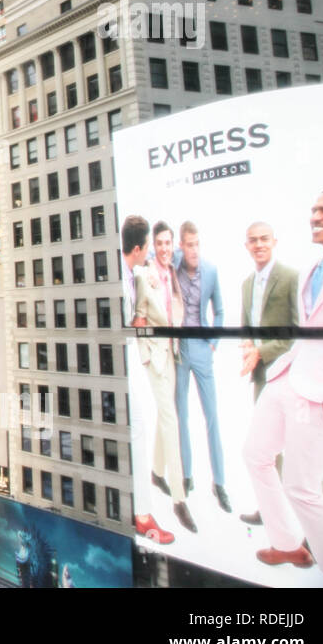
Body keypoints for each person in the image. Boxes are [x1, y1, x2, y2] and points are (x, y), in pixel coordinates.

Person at [242, 186, 323, 585]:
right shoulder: (312, 268)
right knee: (255, 455)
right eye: (313, 210)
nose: (315, 217)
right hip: (288, 379)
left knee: (302, 488)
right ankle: (288, 543)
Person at [133, 220, 196, 533]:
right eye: (159, 243)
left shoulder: (173, 270)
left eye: (169, 243)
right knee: (170, 418)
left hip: (173, 353)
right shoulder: (146, 276)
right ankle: (179, 499)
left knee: (165, 414)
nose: (165, 248)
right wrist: (146, 355)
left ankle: (157, 471)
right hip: (156, 356)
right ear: (152, 246)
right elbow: (139, 318)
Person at [237, 220, 300, 526]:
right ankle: (271, 510)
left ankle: (307, 518)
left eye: (264, 239)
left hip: (290, 373)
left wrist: (261, 351)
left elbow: (296, 333)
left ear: (275, 241)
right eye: (253, 240)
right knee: (265, 448)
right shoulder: (247, 283)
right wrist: (249, 347)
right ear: (246, 246)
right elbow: (246, 327)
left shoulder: (290, 277)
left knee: (299, 448)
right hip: (261, 376)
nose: (259, 244)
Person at [122, 215, 174, 545]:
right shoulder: (124, 278)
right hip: (121, 363)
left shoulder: (136, 274)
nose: (151, 254)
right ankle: (141, 514)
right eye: (148, 249)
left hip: (132, 360)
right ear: (138, 248)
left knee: (138, 428)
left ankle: (139, 511)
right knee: (138, 429)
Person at [172, 222, 229, 511]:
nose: (194, 250)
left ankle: (219, 482)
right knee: (181, 415)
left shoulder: (212, 271)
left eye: (197, 244)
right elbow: (153, 256)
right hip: (180, 349)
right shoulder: (174, 263)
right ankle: (186, 476)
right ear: (181, 246)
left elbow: (220, 311)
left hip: (203, 349)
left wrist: (213, 344)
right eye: (189, 245)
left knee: (212, 417)